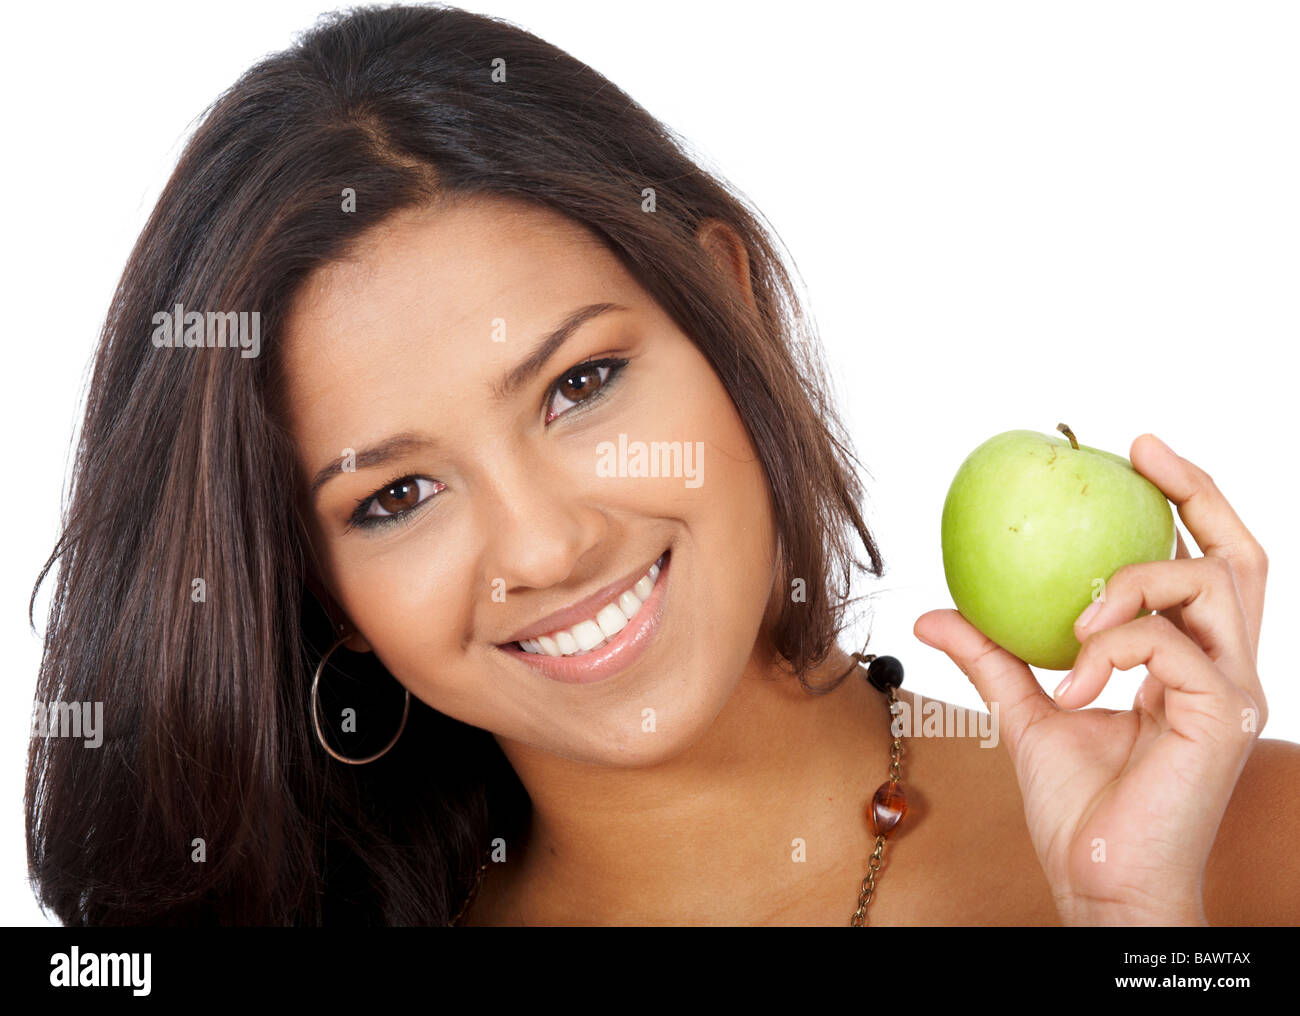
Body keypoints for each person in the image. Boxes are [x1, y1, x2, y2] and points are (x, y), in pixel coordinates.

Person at [27, 3, 1299, 926]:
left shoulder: (1257, 849)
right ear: (318, 592)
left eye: (579, 384)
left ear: (728, 303)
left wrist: (1137, 919)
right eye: (394, 496)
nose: (543, 545)